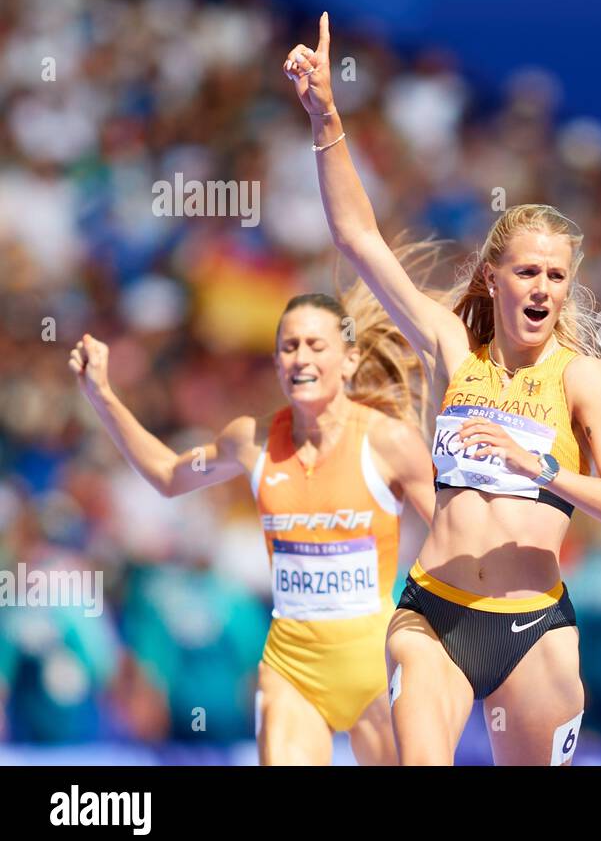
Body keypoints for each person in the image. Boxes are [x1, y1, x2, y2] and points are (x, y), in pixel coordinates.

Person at [284, 13, 601, 765]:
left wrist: (539, 466)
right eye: (527, 271)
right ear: (494, 275)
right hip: (432, 613)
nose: (542, 287)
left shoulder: (584, 379)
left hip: (534, 626)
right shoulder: (455, 347)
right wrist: (325, 118)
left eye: (556, 275)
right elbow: (359, 239)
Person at [69, 287, 437, 765]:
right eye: (288, 347)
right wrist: (101, 396)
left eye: (315, 345)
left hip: (374, 664)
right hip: (291, 668)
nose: (300, 357)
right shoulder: (251, 441)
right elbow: (167, 476)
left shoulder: (390, 442)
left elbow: (453, 532)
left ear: (348, 361)